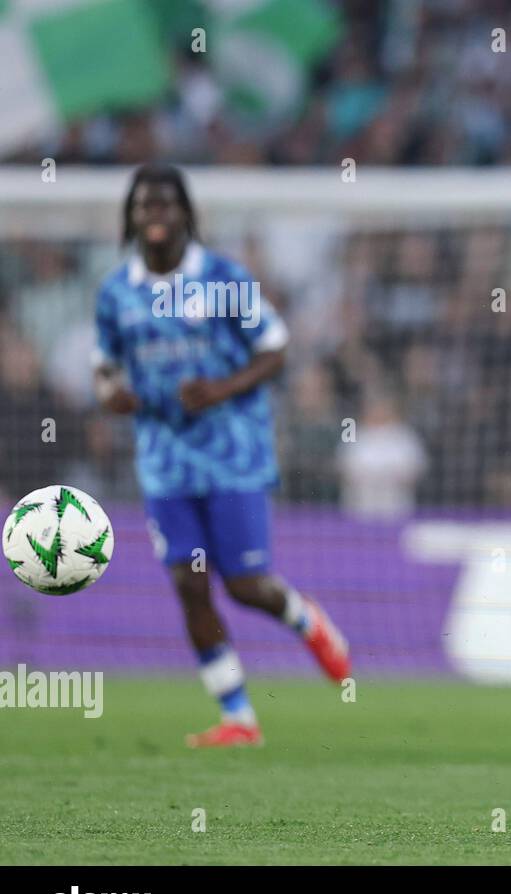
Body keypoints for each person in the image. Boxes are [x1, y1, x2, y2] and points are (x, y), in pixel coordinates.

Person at [93, 163, 351, 748]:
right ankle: (239, 716)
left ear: (186, 214)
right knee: (188, 582)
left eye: (165, 205)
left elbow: (276, 348)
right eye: (143, 206)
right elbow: (104, 365)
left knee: (243, 584)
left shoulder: (223, 279)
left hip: (233, 453)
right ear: (131, 217)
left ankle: (306, 619)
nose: (154, 216)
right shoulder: (116, 292)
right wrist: (112, 393)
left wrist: (221, 389)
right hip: (163, 460)